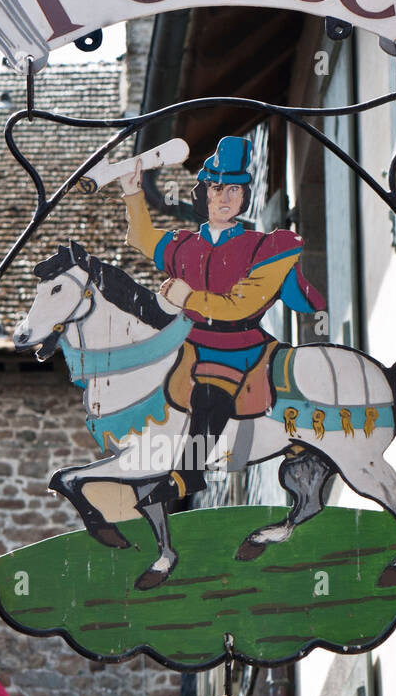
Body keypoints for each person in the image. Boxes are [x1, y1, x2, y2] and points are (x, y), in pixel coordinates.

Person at [119, 135, 324, 500]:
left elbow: (239, 305)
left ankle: (188, 475)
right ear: (205, 194)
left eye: (234, 189)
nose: (225, 197)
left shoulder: (265, 248)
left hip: (239, 345)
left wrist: (188, 296)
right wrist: (133, 193)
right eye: (217, 188)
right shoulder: (184, 245)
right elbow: (140, 237)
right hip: (190, 341)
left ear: (244, 197)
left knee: (211, 393)